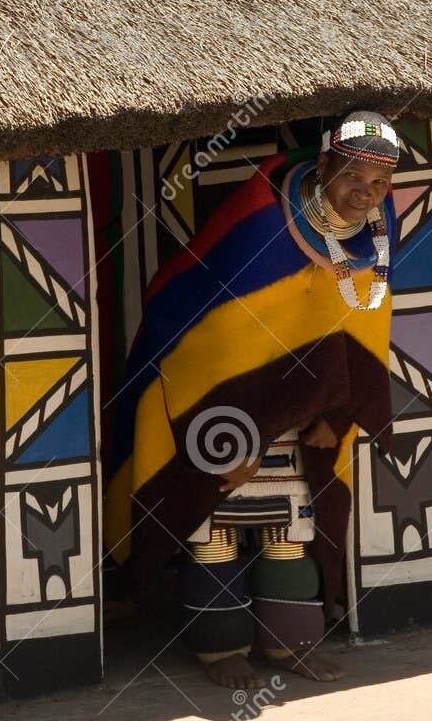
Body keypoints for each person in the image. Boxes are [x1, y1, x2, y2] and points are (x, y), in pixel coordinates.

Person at [103, 111, 400, 690]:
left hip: (298, 427)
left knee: (288, 536)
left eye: (379, 183)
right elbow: (209, 343)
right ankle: (222, 651)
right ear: (323, 167)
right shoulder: (262, 226)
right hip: (218, 417)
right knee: (212, 535)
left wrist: (335, 414)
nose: (365, 193)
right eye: (352, 177)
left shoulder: (374, 235)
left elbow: (358, 330)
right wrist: (234, 435)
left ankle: (290, 645)